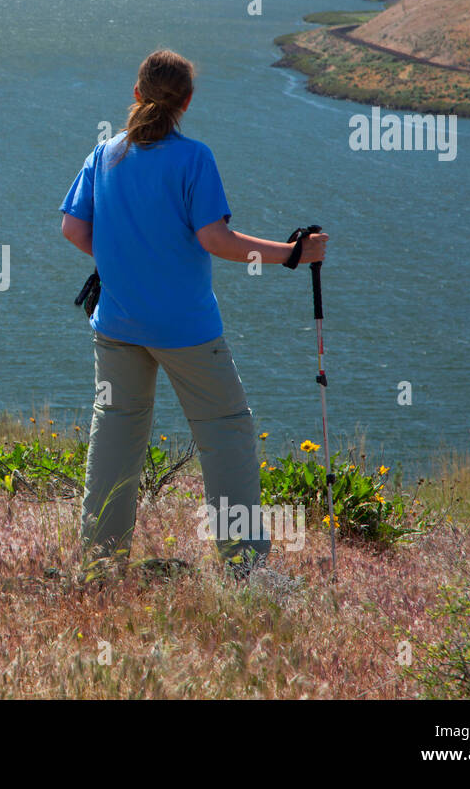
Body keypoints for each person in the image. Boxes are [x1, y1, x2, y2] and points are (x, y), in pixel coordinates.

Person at [59, 48, 328, 578]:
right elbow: (216, 239)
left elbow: (74, 230)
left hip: (116, 324)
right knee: (225, 432)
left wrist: (128, 257)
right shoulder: (193, 158)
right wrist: (292, 253)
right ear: (186, 101)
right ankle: (244, 570)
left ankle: (98, 564)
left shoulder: (104, 155)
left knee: (114, 435)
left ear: (136, 95)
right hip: (186, 330)